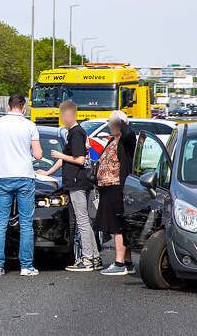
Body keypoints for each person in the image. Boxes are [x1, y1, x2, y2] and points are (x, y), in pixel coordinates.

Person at [0, 93, 43, 277]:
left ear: (9, 106)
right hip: (25, 176)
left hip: (3, 176)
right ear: (23, 107)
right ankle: (26, 266)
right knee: (26, 223)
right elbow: (39, 154)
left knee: (1, 222)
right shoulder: (29, 125)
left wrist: (0, 152)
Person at [44, 99, 100, 272]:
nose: (61, 119)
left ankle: (88, 259)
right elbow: (65, 159)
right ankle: (95, 258)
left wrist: (60, 154)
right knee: (85, 220)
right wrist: (47, 173)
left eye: (61, 115)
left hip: (77, 182)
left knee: (82, 220)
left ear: (68, 115)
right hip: (78, 182)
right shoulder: (75, 132)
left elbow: (80, 159)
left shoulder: (76, 133)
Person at [94, 110, 137, 276]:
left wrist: (120, 121)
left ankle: (119, 262)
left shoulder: (127, 139)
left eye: (114, 123)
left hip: (118, 187)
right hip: (108, 188)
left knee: (118, 225)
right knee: (116, 224)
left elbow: (129, 133)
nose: (111, 125)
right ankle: (127, 262)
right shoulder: (113, 139)